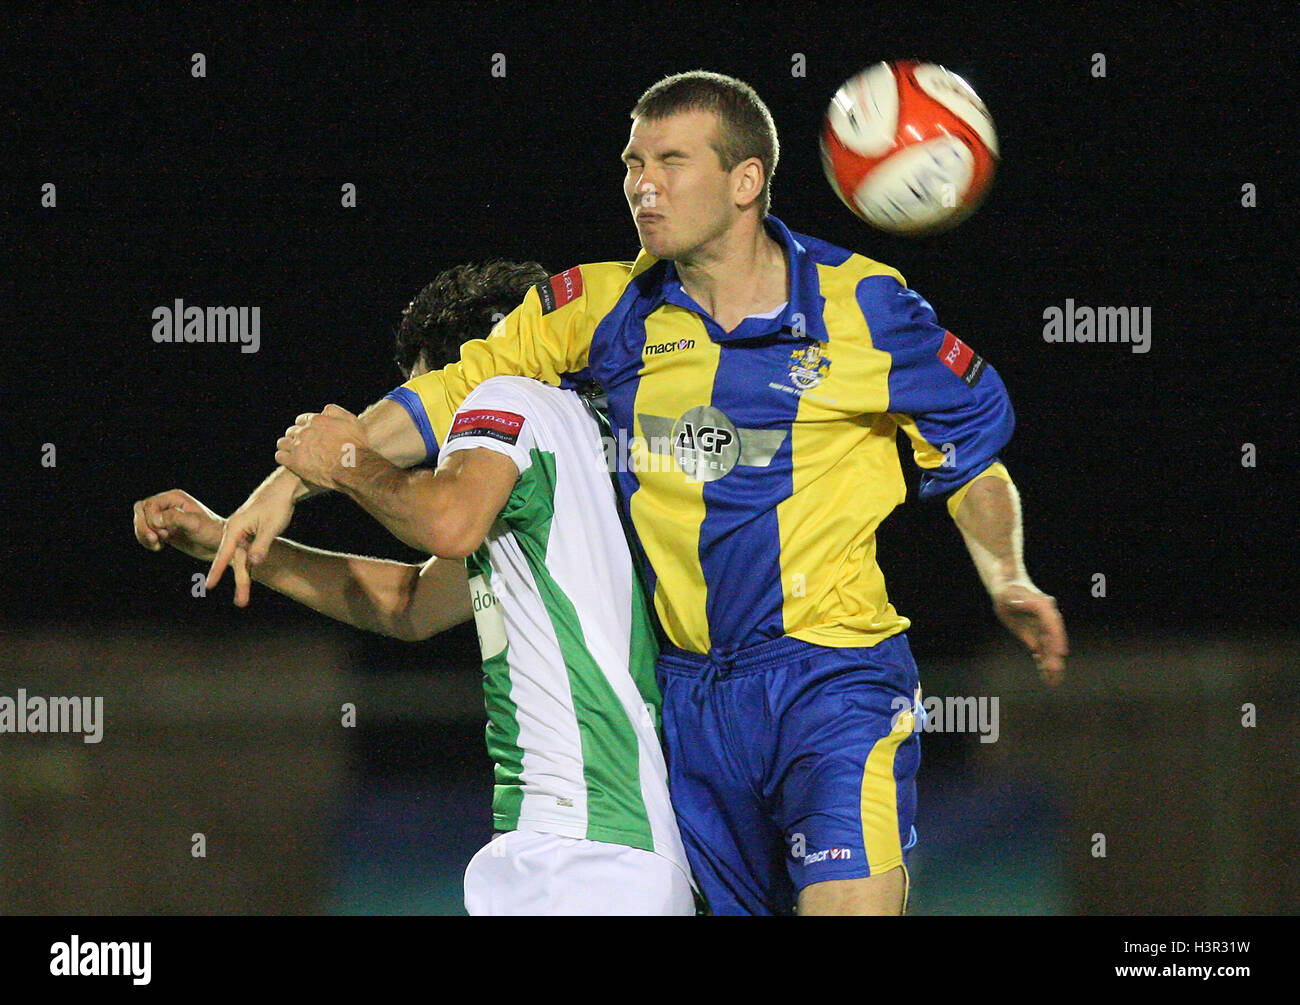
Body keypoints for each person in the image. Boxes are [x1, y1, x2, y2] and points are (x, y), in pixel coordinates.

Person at [208, 72, 1069, 916]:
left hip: (831, 672)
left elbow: (971, 457)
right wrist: (287, 483)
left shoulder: (870, 310)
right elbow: (447, 393)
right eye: (631, 164)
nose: (641, 186)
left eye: (669, 162)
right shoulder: (600, 309)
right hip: (689, 702)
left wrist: (1007, 577)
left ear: (746, 181)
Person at [134, 261, 694, 915]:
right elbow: (410, 603)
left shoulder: (505, 399)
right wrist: (236, 546)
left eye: (423, 402)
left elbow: (445, 522)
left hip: (578, 849)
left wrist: (344, 462)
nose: (428, 443)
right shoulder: (593, 445)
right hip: (625, 845)